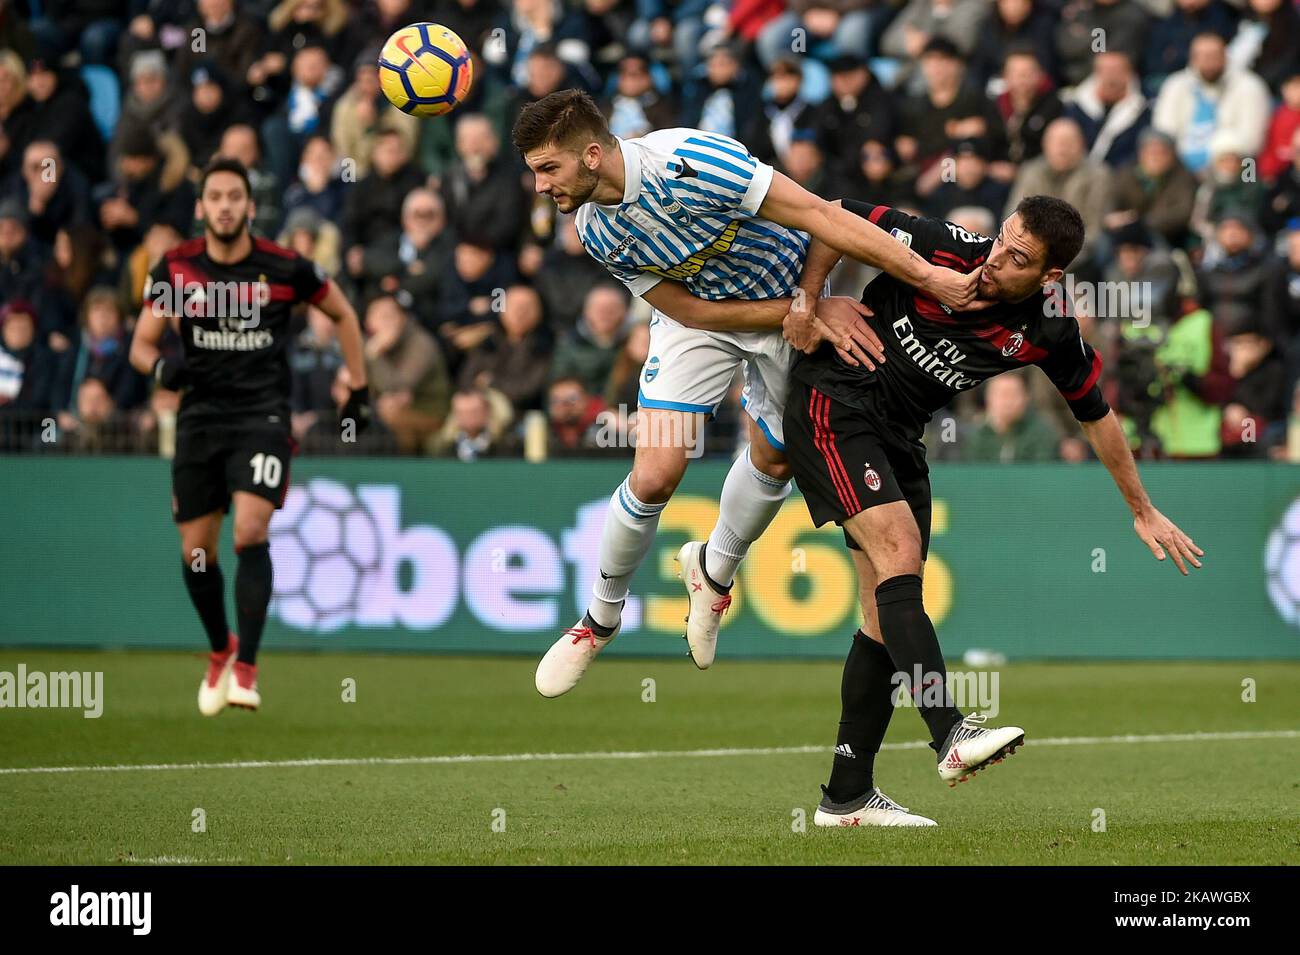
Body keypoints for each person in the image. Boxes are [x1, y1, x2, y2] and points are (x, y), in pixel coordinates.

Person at [511, 89, 981, 699]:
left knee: (780, 454)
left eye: (548, 168)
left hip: (788, 293)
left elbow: (823, 216)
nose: (541, 186)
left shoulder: (693, 161)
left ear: (593, 155)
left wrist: (920, 274)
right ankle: (598, 620)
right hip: (705, 321)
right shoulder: (595, 228)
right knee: (654, 475)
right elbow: (689, 310)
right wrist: (796, 311)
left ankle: (714, 572)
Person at [781, 195, 1203, 826]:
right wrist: (808, 303)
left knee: (882, 611)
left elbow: (1095, 415)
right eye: (1002, 238)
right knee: (899, 553)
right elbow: (833, 213)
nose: (996, 258)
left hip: (900, 435)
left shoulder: (1051, 329)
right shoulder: (946, 246)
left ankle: (846, 796)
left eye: (1018, 257)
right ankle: (950, 732)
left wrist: (1140, 508)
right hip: (834, 400)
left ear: (1049, 278)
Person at [128, 157, 371, 717]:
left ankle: (248, 668)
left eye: (235, 196)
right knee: (196, 552)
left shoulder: (284, 267)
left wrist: (357, 386)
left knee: (250, 530)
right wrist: (160, 371)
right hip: (198, 421)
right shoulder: (175, 268)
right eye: (215, 196)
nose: (225, 206)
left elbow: (344, 313)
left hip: (262, 415)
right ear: (200, 207)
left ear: (250, 207)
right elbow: (142, 343)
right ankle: (220, 648)